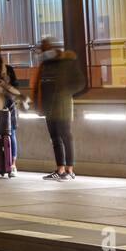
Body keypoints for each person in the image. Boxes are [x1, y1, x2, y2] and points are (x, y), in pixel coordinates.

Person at [32, 36, 84, 180]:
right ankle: (60, 169)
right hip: (48, 107)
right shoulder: (44, 65)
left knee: (65, 137)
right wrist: (37, 104)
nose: (42, 53)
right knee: (55, 139)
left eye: (44, 50)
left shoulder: (66, 63)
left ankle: (69, 169)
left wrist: (64, 91)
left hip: (62, 107)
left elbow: (79, 83)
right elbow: (38, 86)